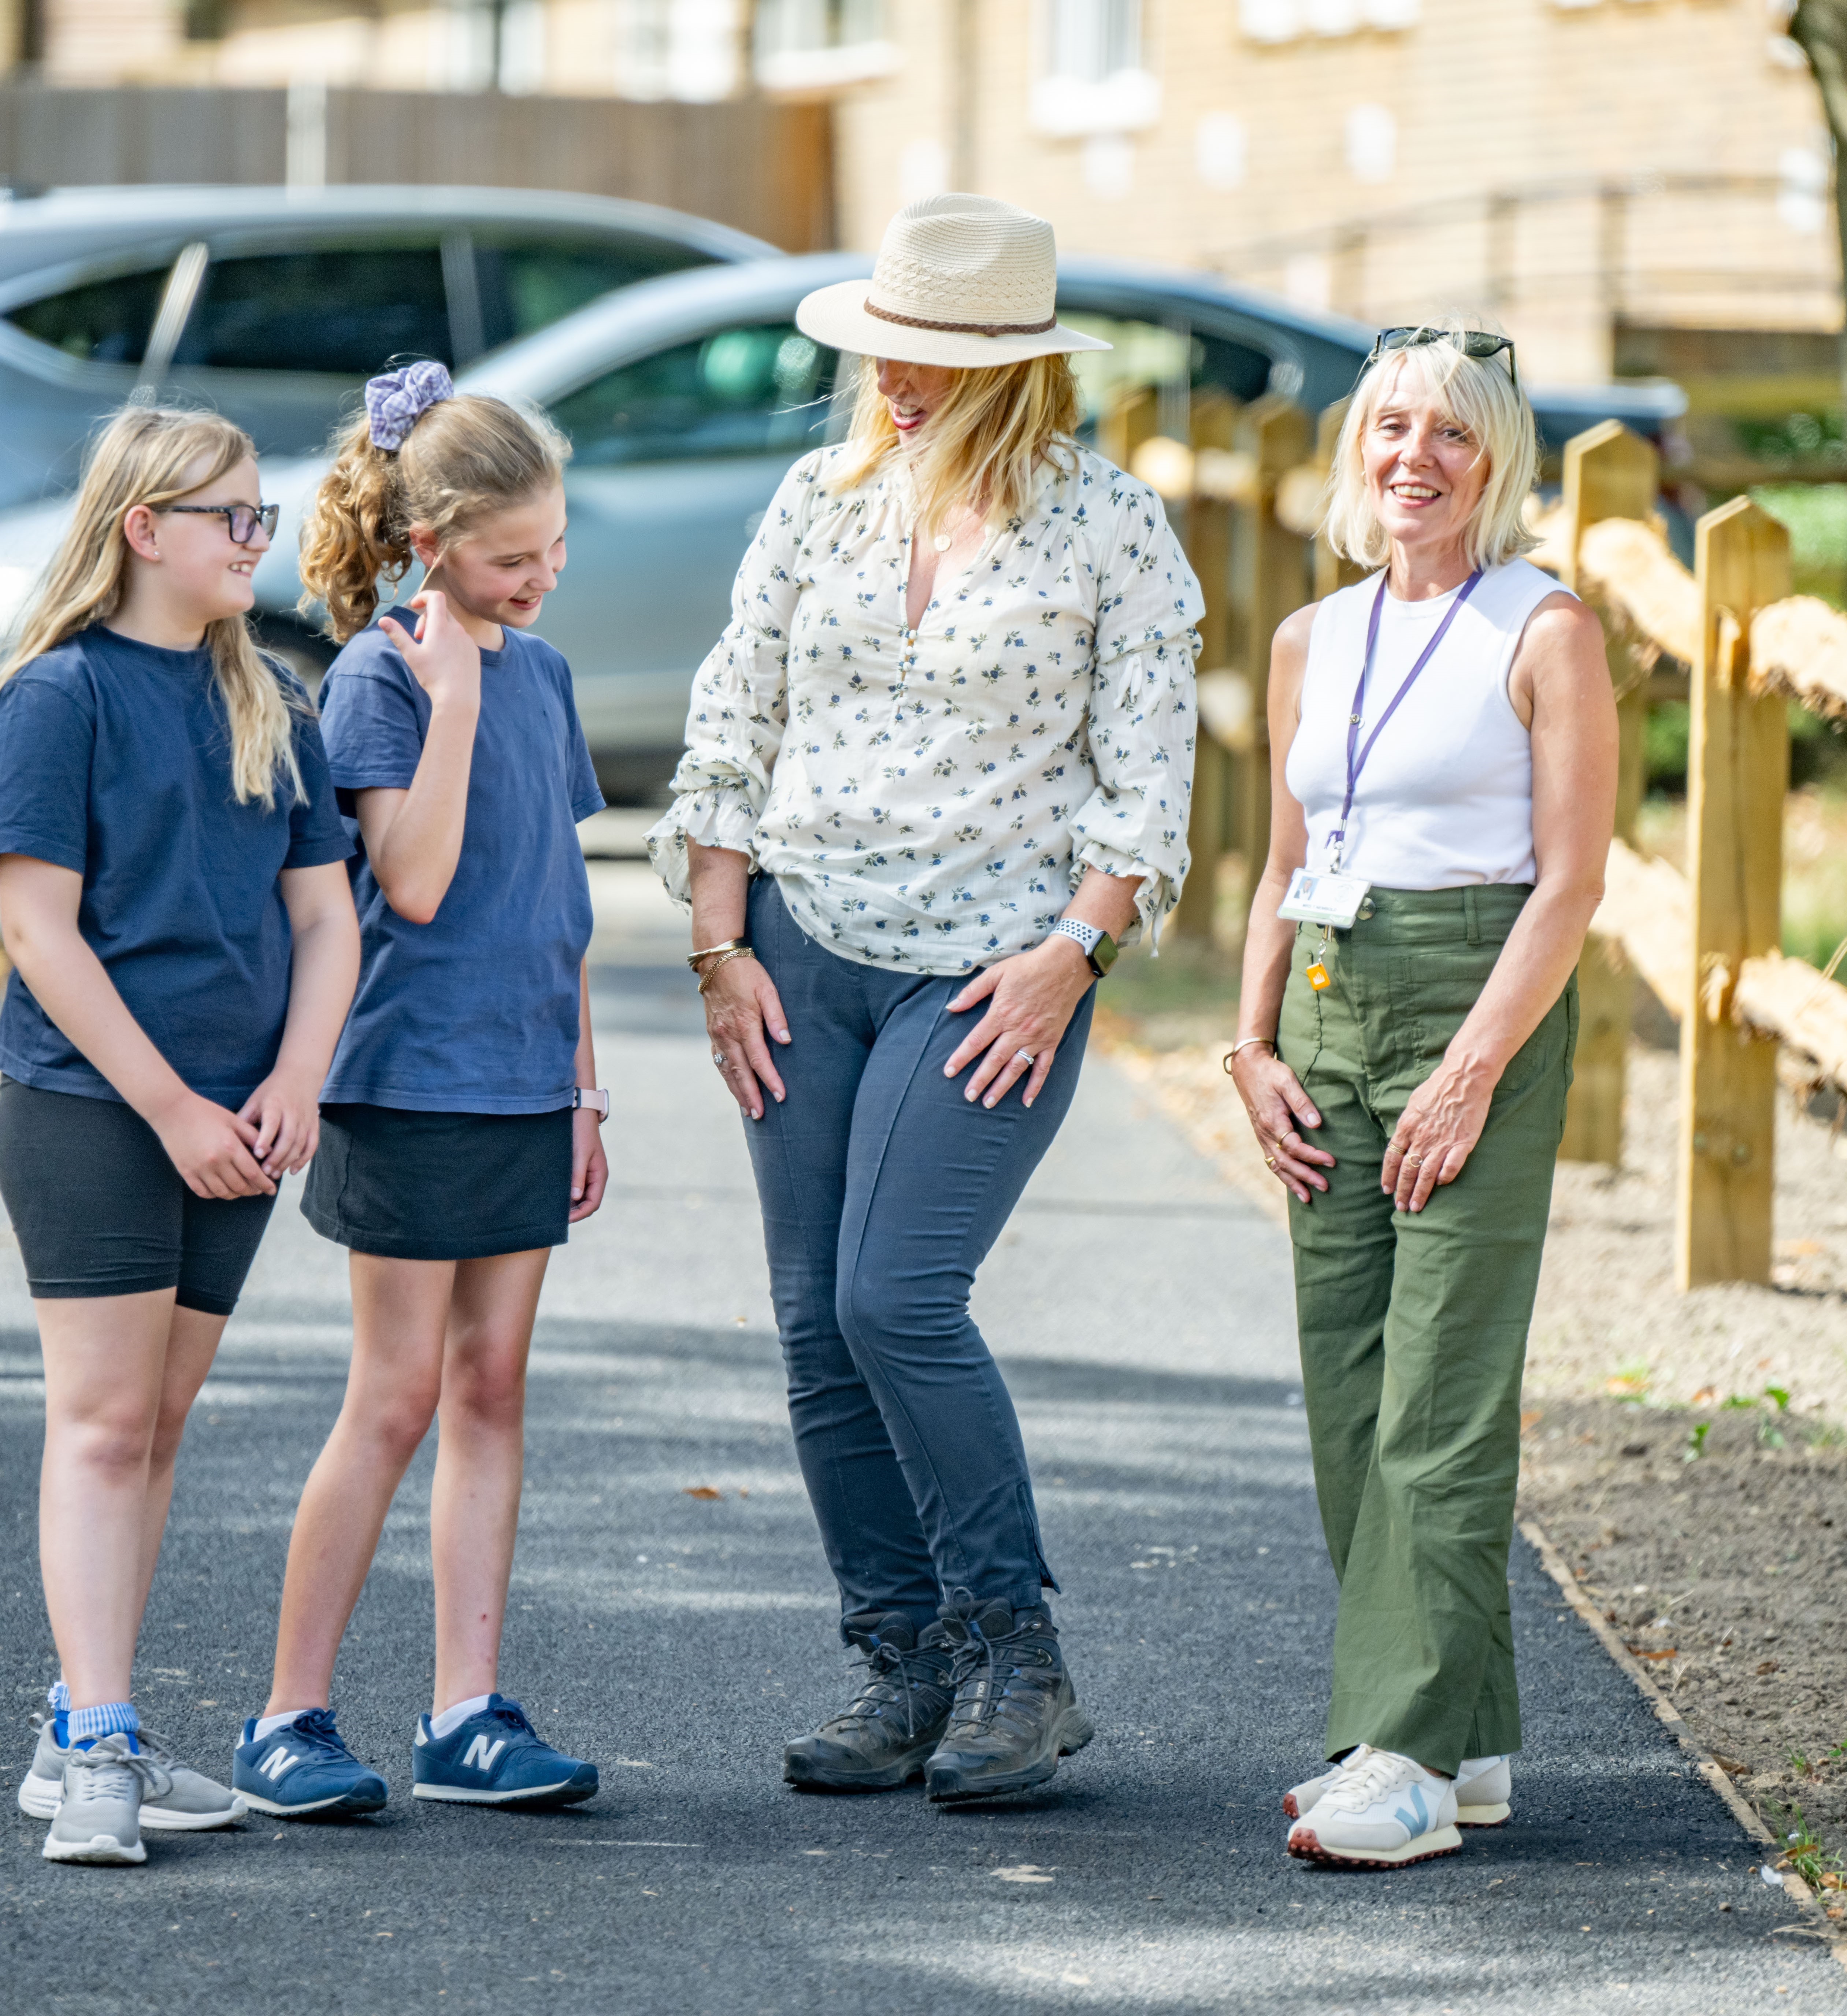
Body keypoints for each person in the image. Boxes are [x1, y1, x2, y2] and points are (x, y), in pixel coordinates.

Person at [649, 193, 1202, 1804]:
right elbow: (730, 724)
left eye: (940, 356)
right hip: (799, 949)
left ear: (1018, 366)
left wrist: (1074, 953)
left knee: (899, 1297)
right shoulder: (817, 504)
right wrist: (716, 940)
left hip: (994, 976)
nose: (899, 376)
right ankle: (902, 1665)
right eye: (889, 344)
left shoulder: (1112, 528)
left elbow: (1149, 782)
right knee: (819, 1325)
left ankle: (1018, 1657)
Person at [1225, 325, 1614, 1869]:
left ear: (1497, 459)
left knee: (1441, 1394)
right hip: (1327, 1002)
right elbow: (1280, 861)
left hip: (1479, 1004)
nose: (1416, 457)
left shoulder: (1547, 627)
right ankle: (1470, 1737)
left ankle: (1393, 1750)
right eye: (1391, 427)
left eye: (1451, 433)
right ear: (1356, 451)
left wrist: (1471, 1069)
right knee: (1351, 1387)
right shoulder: (1313, 637)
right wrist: (1247, 1046)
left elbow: (1574, 880)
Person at [0, 405, 362, 1867]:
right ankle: (107, 1748)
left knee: (162, 1422)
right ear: (146, 528)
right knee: (105, 1419)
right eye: (235, 516)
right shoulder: (58, 698)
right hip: (94, 1110)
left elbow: (327, 915)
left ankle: (84, 1718)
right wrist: (175, 1107)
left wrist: (299, 1074)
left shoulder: (277, 702)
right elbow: (38, 929)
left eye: (264, 515)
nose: (261, 537)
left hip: (241, 1122)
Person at [228, 362, 611, 1821]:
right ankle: (287, 1713)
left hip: (522, 1083)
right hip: (410, 1083)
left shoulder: (550, 674)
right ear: (434, 539)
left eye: (554, 548)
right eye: (515, 557)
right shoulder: (385, 676)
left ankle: (467, 1710)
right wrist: (451, 698)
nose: (543, 575)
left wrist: (584, 1088)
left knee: (492, 1388)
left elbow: (557, 897)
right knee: (391, 1396)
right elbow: (421, 876)